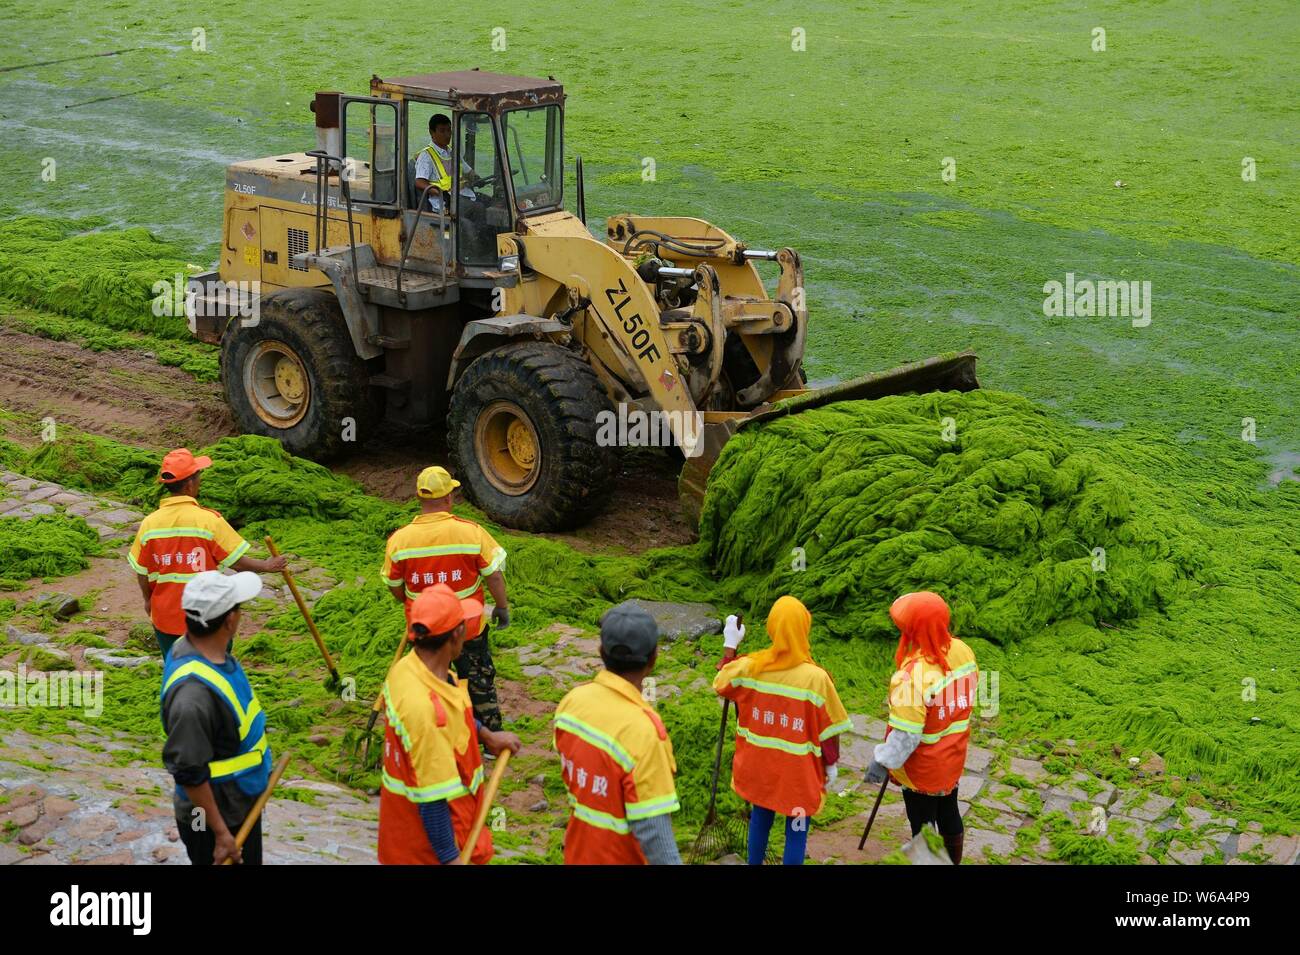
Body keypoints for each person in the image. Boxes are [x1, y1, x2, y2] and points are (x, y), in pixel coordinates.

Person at [378, 584, 520, 865]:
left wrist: (486, 735)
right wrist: (450, 859)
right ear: (457, 635)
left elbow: (456, 715)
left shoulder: (408, 670)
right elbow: (432, 801)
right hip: (428, 851)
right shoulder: (427, 712)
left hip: (406, 834)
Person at [713, 596, 852, 865]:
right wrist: (831, 764)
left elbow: (721, 682)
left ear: (772, 628)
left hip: (759, 768)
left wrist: (730, 644)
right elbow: (830, 727)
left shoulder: (752, 666)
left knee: (760, 819)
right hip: (798, 775)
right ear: (805, 628)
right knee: (797, 832)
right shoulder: (816, 679)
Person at [553, 602, 682, 865]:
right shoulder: (644, 732)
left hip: (578, 853)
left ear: (601, 651)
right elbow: (653, 832)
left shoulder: (571, 702)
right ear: (653, 659)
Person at [381, 466, 509, 732]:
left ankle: (434, 727)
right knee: (477, 679)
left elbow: (394, 586)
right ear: (449, 498)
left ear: (419, 498)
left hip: (425, 628)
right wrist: (501, 607)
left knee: (428, 680)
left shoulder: (399, 541)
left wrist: (412, 603)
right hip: (468, 628)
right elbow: (494, 576)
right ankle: (489, 734)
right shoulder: (472, 533)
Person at [129, 448, 286, 658]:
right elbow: (236, 562)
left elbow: (142, 571)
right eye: (198, 476)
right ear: (190, 484)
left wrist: (148, 600)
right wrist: (267, 566)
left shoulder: (149, 523)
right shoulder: (209, 520)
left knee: (177, 670)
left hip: (165, 616)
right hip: (207, 616)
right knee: (214, 669)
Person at [160, 570, 270, 865]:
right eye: (239, 607)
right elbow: (188, 771)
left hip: (240, 797)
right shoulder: (192, 699)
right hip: (211, 817)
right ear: (230, 620)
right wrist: (221, 835)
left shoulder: (195, 648)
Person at [865, 591, 978, 865]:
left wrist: (880, 761)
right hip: (953, 756)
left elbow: (905, 737)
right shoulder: (963, 651)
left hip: (922, 770)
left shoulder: (911, 677)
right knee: (949, 812)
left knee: (923, 827)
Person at [414, 113, 482, 213]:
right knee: (479, 209)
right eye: (442, 131)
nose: (447, 135)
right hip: (444, 203)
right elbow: (419, 182)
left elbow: (468, 171)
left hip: (462, 195)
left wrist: (477, 179)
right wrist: (440, 193)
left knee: (491, 201)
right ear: (431, 132)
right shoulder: (426, 156)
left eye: (449, 130)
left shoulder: (452, 152)